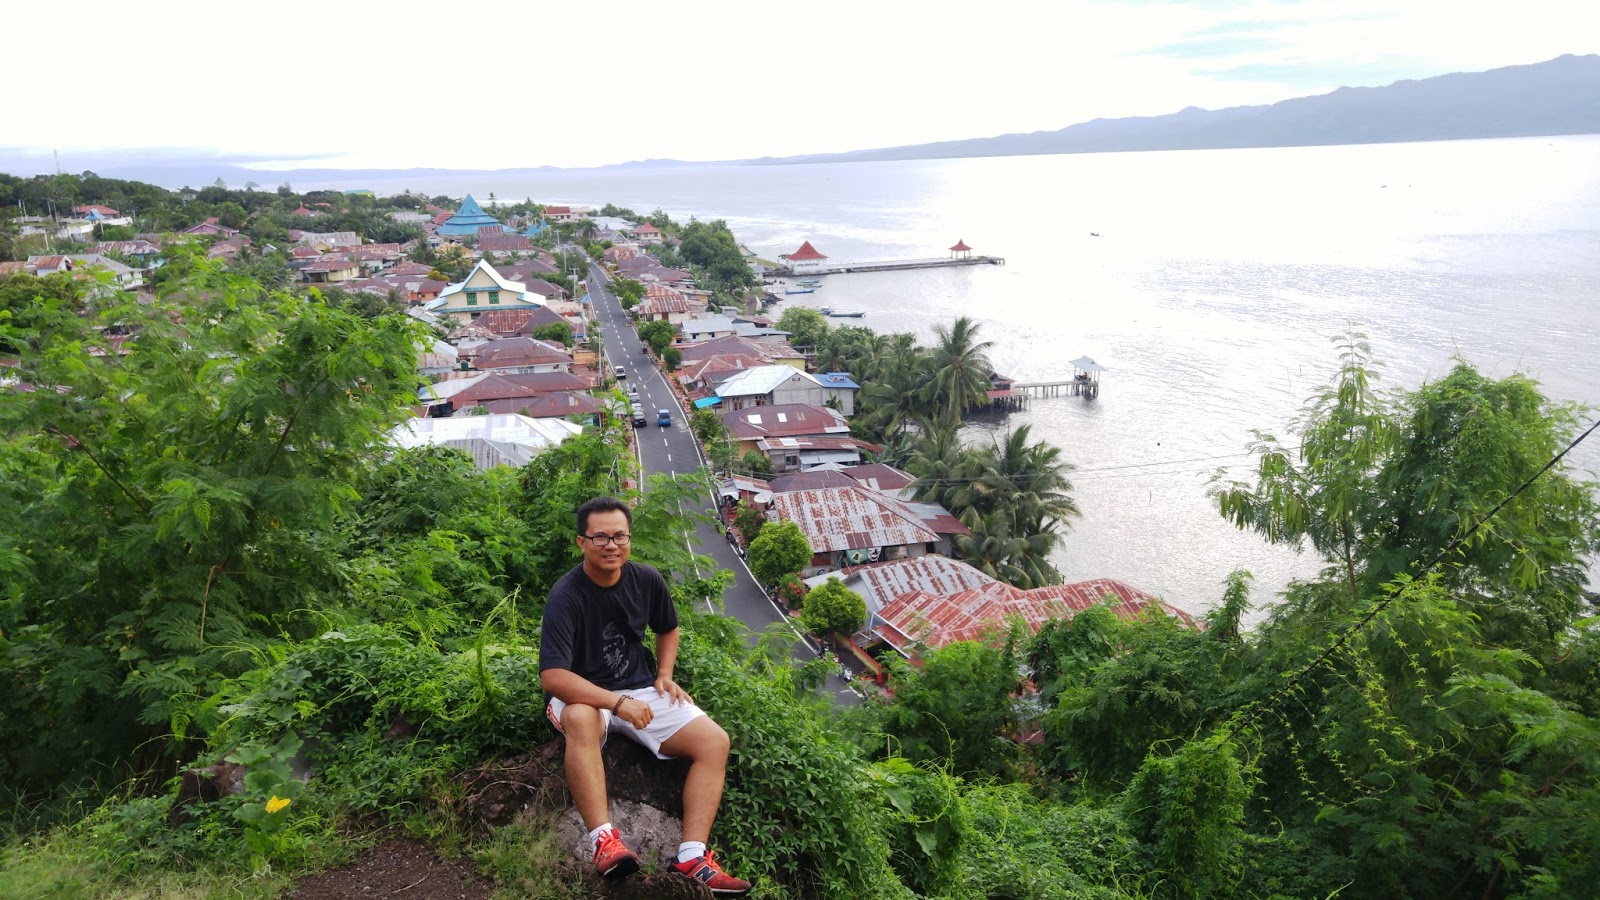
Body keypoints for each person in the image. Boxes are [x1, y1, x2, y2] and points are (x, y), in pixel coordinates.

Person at [540, 496, 752, 895]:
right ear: (581, 542)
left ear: (629, 538)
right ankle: (604, 841)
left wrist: (665, 674)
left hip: (638, 688)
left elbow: (667, 628)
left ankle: (691, 856)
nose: (611, 544)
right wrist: (617, 703)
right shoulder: (566, 595)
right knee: (582, 718)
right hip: (583, 693)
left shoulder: (646, 579)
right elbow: (553, 676)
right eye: (599, 536)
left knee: (714, 741)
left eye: (619, 535)